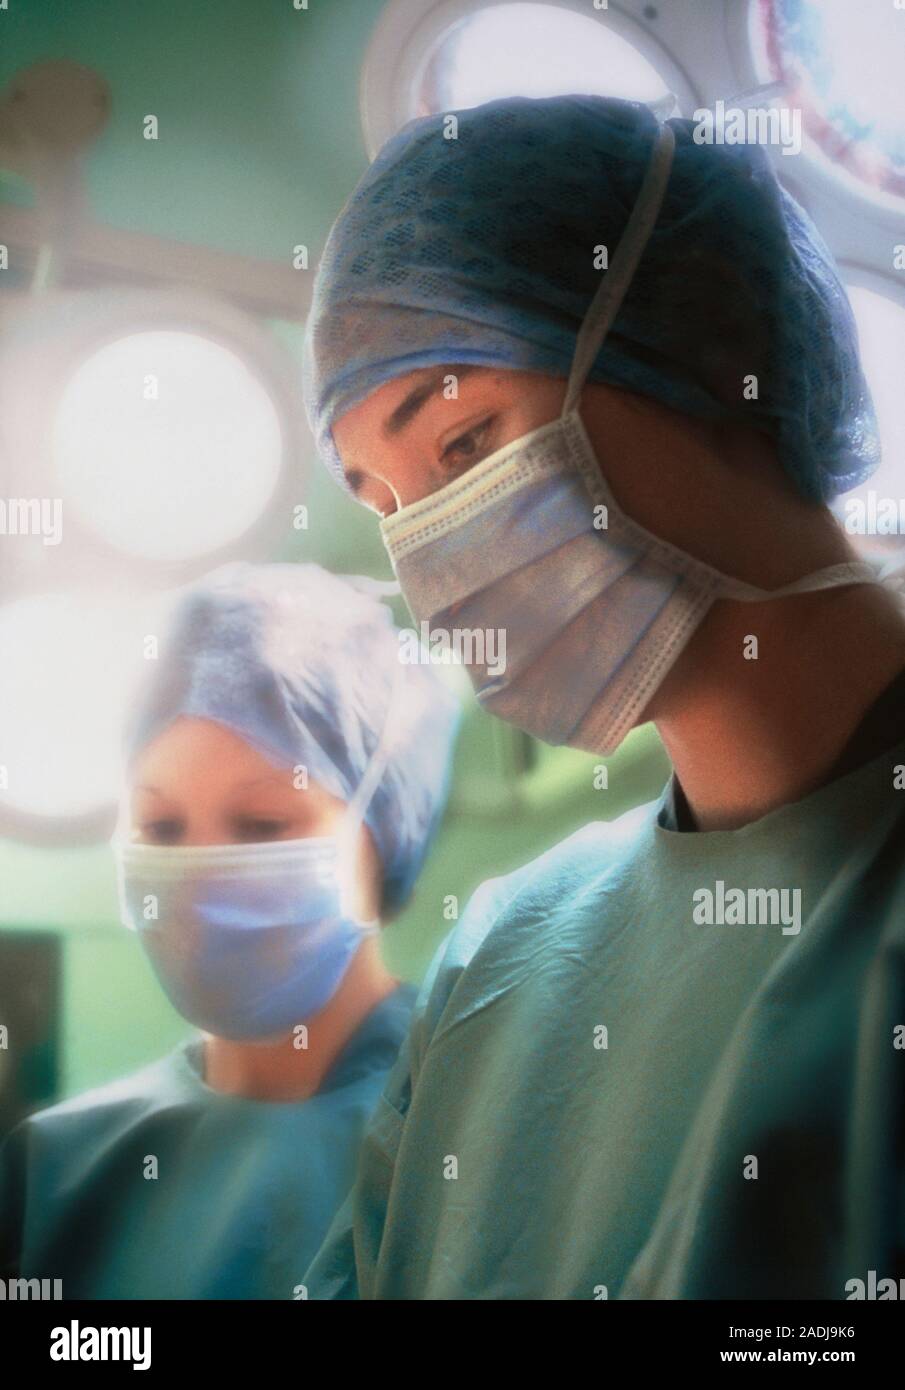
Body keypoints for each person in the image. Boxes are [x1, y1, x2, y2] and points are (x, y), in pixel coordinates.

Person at [299, 94, 905, 1299]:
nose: (427, 553)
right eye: (383, 504)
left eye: (463, 444)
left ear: (707, 344)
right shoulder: (503, 954)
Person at [0, 562, 460, 1299]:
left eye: (260, 825)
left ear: (388, 829)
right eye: (160, 825)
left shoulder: (480, 1128)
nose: (202, 871)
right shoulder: (57, 1169)